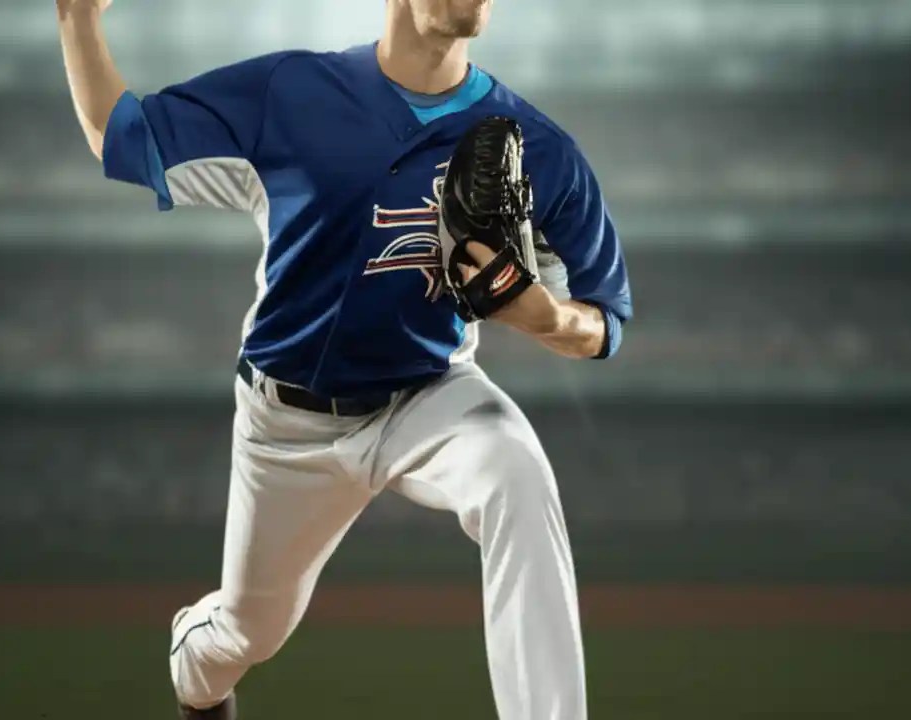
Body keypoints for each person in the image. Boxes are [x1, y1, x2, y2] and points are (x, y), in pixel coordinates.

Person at [56, 1, 632, 717]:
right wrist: (78, 18)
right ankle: (196, 664)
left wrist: (549, 318)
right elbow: (124, 138)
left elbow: (605, 319)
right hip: (288, 423)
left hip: (428, 395)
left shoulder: (536, 147)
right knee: (246, 634)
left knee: (516, 469)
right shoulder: (290, 96)